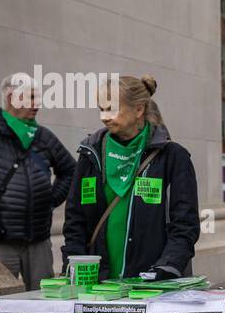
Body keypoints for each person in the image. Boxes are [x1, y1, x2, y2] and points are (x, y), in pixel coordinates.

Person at [62, 74, 200, 281]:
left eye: (112, 109)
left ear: (139, 109)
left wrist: (167, 268)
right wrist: (74, 264)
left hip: (153, 284)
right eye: (101, 109)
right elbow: (75, 219)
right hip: (99, 284)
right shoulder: (90, 154)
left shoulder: (173, 157)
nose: (104, 117)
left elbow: (185, 224)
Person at [0, 73, 76, 289]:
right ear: (12, 98)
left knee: (44, 305)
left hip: (38, 239)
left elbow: (70, 171)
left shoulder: (43, 136)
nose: (37, 104)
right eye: (31, 97)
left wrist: (49, 201)